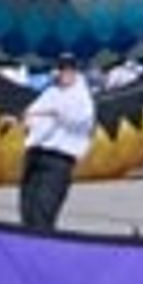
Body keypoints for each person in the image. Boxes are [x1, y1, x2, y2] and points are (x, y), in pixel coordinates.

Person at [18, 61, 96, 232]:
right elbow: (31, 115)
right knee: (27, 210)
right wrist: (23, 120)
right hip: (36, 154)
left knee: (43, 212)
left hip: (57, 160)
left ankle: (42, 249)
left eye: (69, 70)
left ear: (76, 72)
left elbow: (71, 116)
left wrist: (44, 112)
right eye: (61, 69)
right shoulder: (51, 92)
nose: (64, 73)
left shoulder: (81, 96)